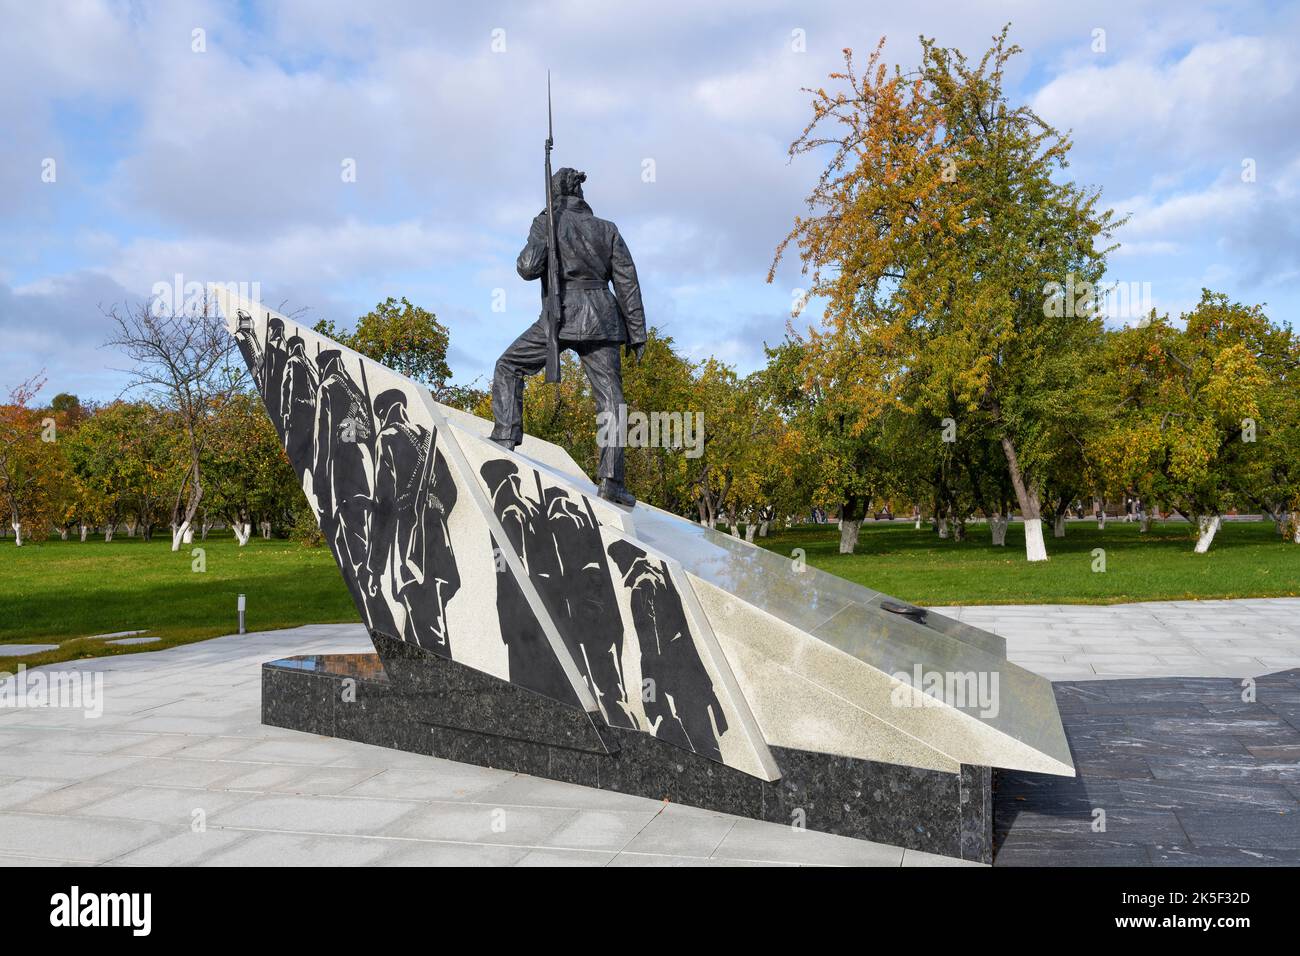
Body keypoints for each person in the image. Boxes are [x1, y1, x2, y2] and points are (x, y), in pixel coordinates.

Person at [489, 167, 646, 506]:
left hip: (560, 316)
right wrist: (637, 334)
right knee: (611, 400)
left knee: (507, 366)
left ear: (555, 193)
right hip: (602, 317)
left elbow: (527, 268)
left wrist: (546, 223)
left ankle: (504, 437)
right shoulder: (607, 229)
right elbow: (627, 283)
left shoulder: (547, 221)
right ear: (580, 193)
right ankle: (611, 481)